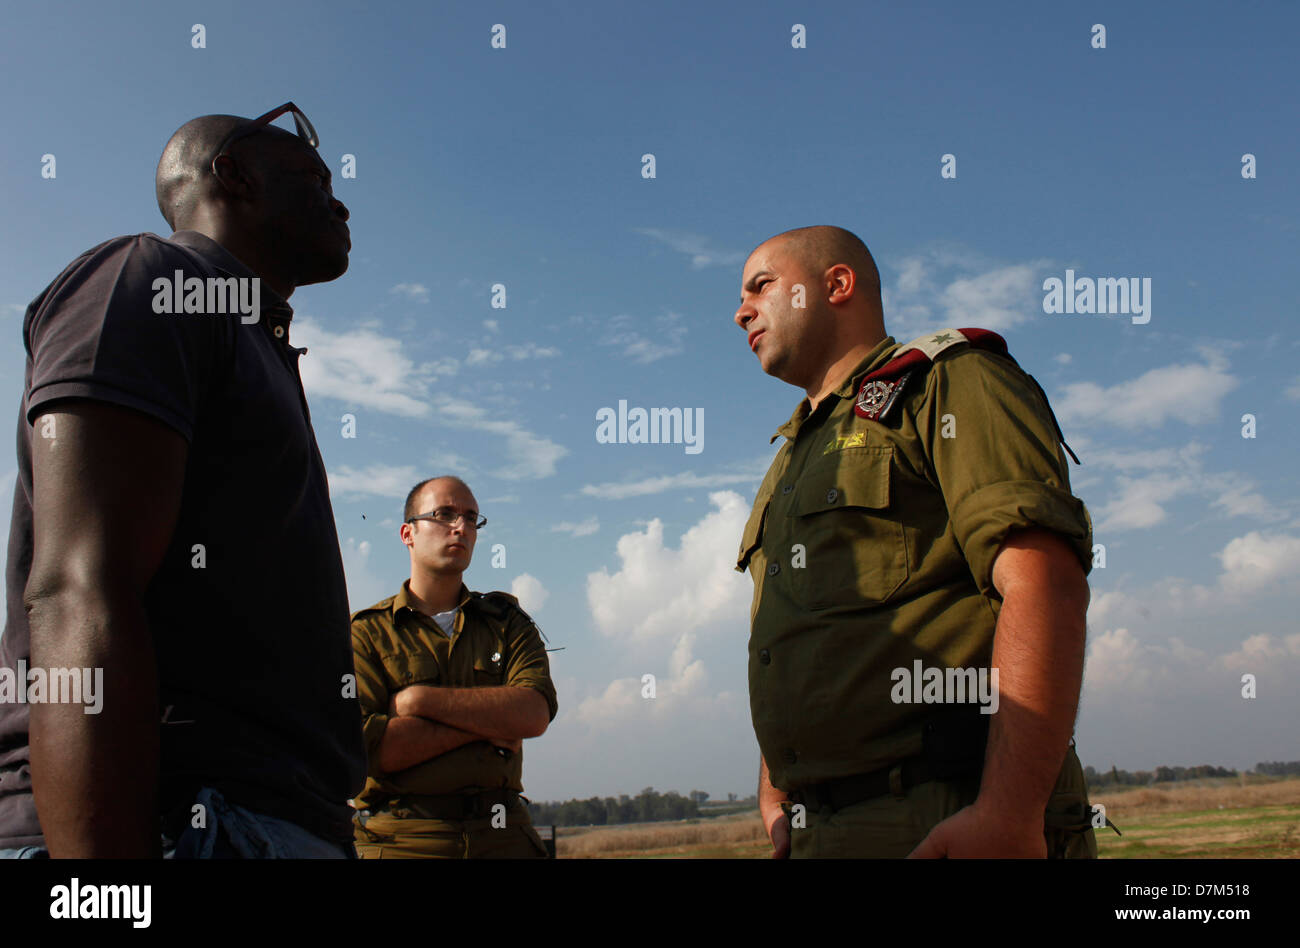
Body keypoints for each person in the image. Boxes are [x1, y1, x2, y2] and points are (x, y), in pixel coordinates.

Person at [0, 103, 366, 858]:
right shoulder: (148, 277)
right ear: (231, 174)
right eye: (311, 176)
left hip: (268, 824)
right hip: (183, 830)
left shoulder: (256, 341)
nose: (340, 199)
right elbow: (78, 587)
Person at [734, 225, 1106, 858]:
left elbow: (1045, 584)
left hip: (944, 810)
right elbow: (801, 635)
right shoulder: (792, 456)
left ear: (838, 285)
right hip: (826, 825)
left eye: (761, 285)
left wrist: (1008, 814)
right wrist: (777, 792)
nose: (742, 310)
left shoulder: (946, 384)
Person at [351, 476, 557, 858]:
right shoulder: (366, 634)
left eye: (470, 518)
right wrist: (487, 726)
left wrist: (418, 700)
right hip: (404, 840)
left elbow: (532, 713)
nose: (461, 527)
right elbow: (368, 750)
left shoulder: (507, 623)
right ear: (407, 533)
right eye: (444, 514)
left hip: (503, 836)